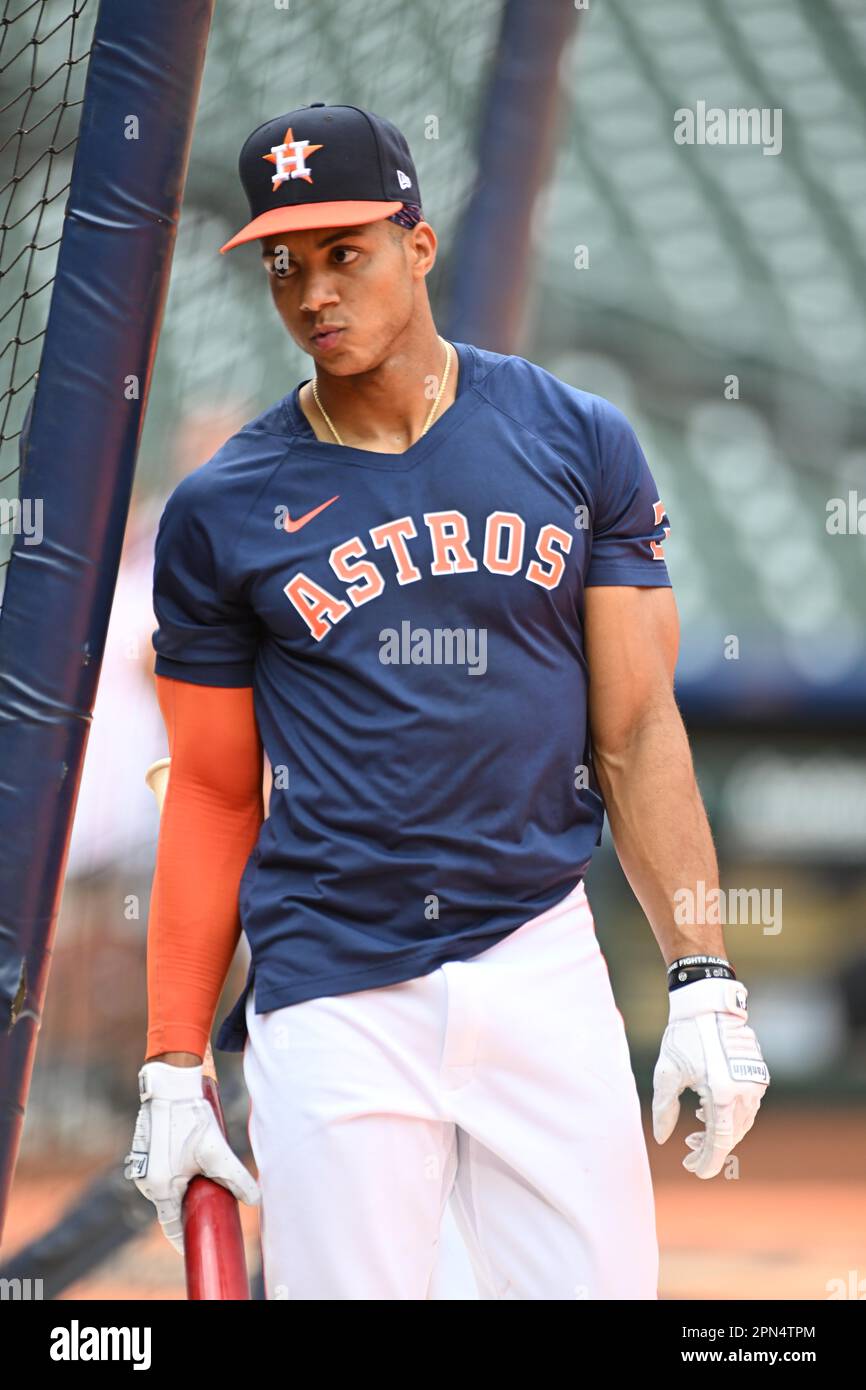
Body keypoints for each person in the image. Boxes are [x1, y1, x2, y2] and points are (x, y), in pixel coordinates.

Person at [123, 103, 770, 1300]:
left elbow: (632, 729)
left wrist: (702, 972)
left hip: (539, 953)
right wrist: (172, 1059)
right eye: (284, 263)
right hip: (332, 987)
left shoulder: (574, 440)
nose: (314, 290)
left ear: (417, 245)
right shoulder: (222, 510)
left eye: (345, 251)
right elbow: (212, 789)